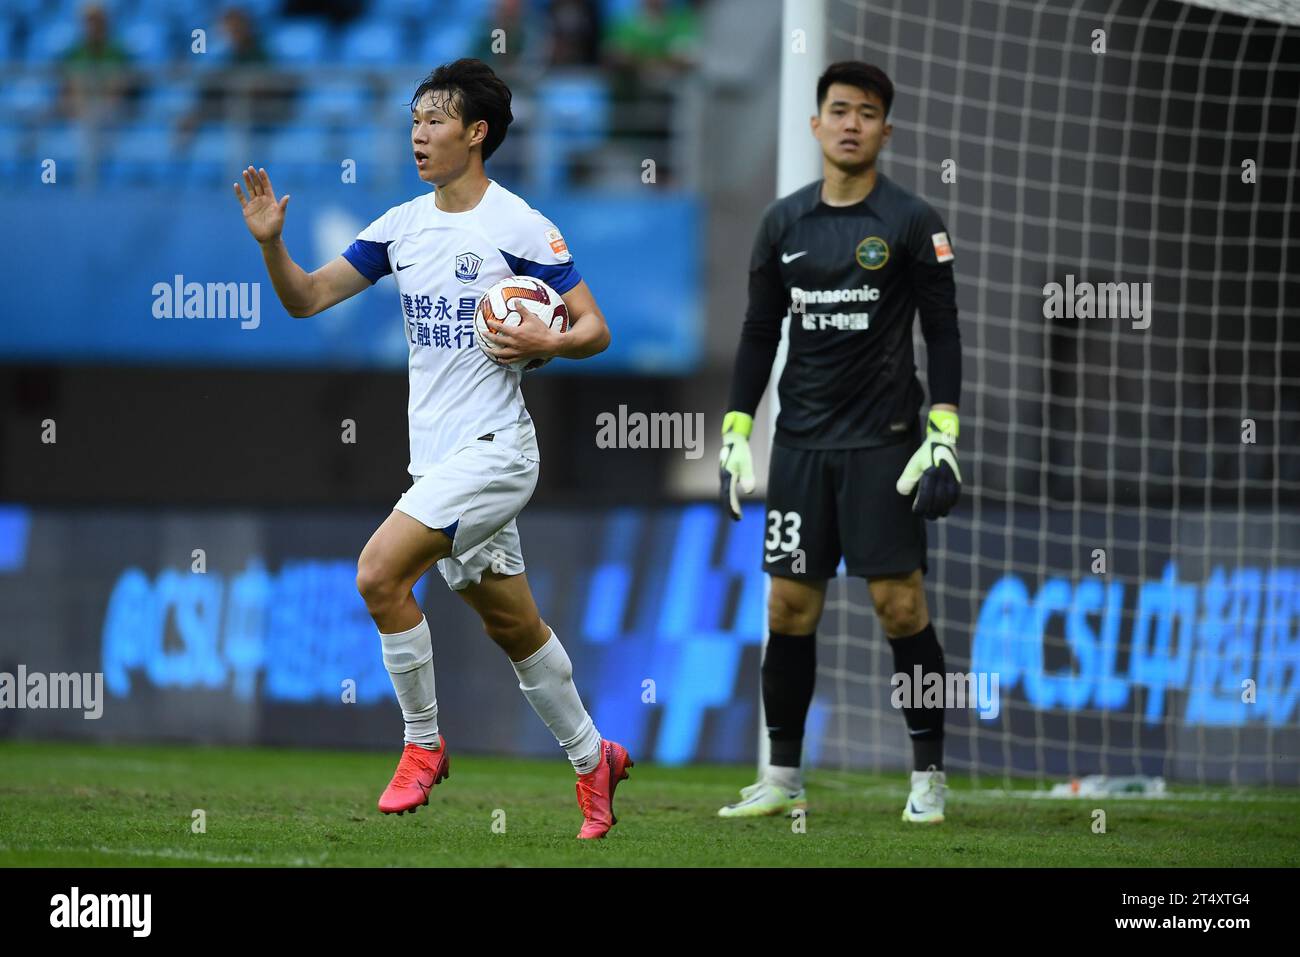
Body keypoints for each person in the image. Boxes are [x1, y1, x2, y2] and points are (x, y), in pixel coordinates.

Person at [233, 58, 632, 839]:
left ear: (476, 133)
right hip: (438, 462)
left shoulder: (518, 225)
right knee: (513, 626)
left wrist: (544, 337)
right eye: (415, 119)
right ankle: (595, 759)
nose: (419, 133)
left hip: (498, 451)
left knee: (378, 574)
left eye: (436, 120)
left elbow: (595, 328)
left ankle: (423, 744)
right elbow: (307, 299)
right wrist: (271, 246)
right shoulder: (400, 227)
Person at [717, 61, 963, 824]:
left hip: (885, 445)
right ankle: (782, 776)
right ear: (816, 124)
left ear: (885, 130)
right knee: (787, 606)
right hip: (800, 447)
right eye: (839, 110)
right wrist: (736, 428)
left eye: (866, 112)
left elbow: (943, 332)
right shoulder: (782, 224)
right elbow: (760, 332)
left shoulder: (914, 222)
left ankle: (929, 774)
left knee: (900, 605)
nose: (851, 122)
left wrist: (944, 429)